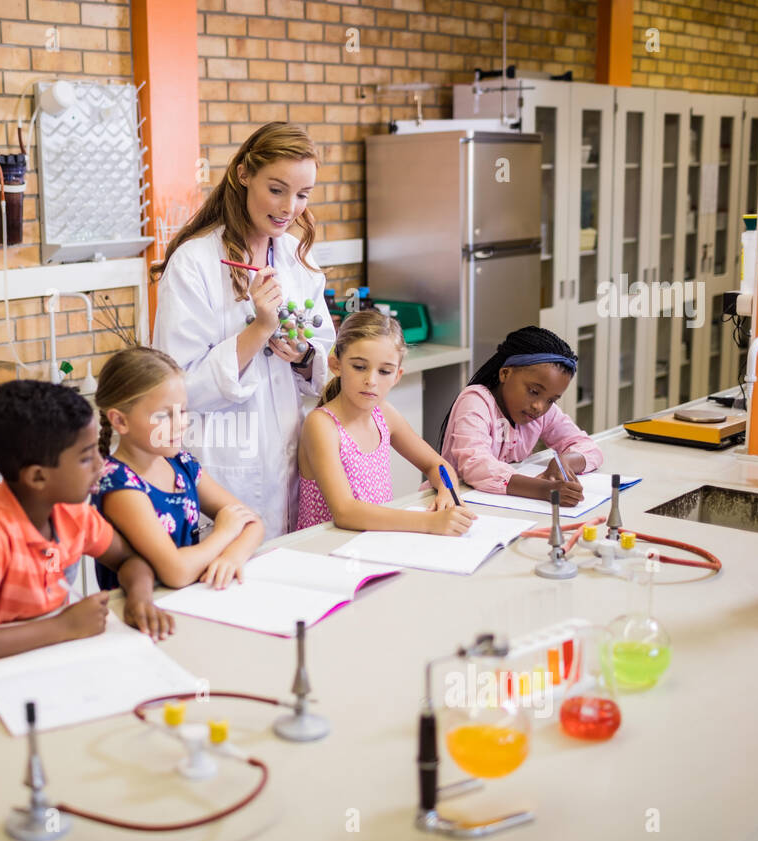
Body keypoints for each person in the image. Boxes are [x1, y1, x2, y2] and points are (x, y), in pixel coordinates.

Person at [152, 121, 336, 537]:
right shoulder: (195, 263)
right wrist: (258, 332)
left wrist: (305, 357)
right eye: (276, 189)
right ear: (243, 175)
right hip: (222, 460)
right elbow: (176, 388)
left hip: (287, 457)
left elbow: (326, 356)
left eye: (302, 195)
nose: (290, 207)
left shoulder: (296, 258)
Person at [0, 380, 174, 668]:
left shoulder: (72, 514)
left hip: (58, 659)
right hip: (3, 670)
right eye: (86, 458)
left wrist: (140, 597)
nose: (100, 465)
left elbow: (130, 560)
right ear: (37, 477)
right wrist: (63, 627)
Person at [93, 346, 264, 590]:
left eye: (182, 411)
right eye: (163, 416)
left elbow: (252, 522)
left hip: (186, 603)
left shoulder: (181, 464)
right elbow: (176, 572)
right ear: (120, 420)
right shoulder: (119, 485)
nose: (180, 424)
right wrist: (224, 533)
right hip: (142, 615)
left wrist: (232, 557)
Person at [297, 311, 475, 533]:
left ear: (397, 376)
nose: (371, 380)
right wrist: (430, 523)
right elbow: (345, 512)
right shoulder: (322, 425)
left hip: (374, 543)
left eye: (384, 371)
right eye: (359, 367)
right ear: (336, 365)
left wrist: (448, 490)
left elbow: (437, 465)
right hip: (326, 551)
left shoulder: (384, 414)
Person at [440, 326, 603, 505]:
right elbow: (476, 466)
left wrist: (565, 461)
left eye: (551, 400)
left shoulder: (540, 412)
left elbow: (589, 448)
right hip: (453, 502)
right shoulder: (476, 401)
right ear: (505, 373)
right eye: (533, 391)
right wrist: (544, 489)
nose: (539, 406)